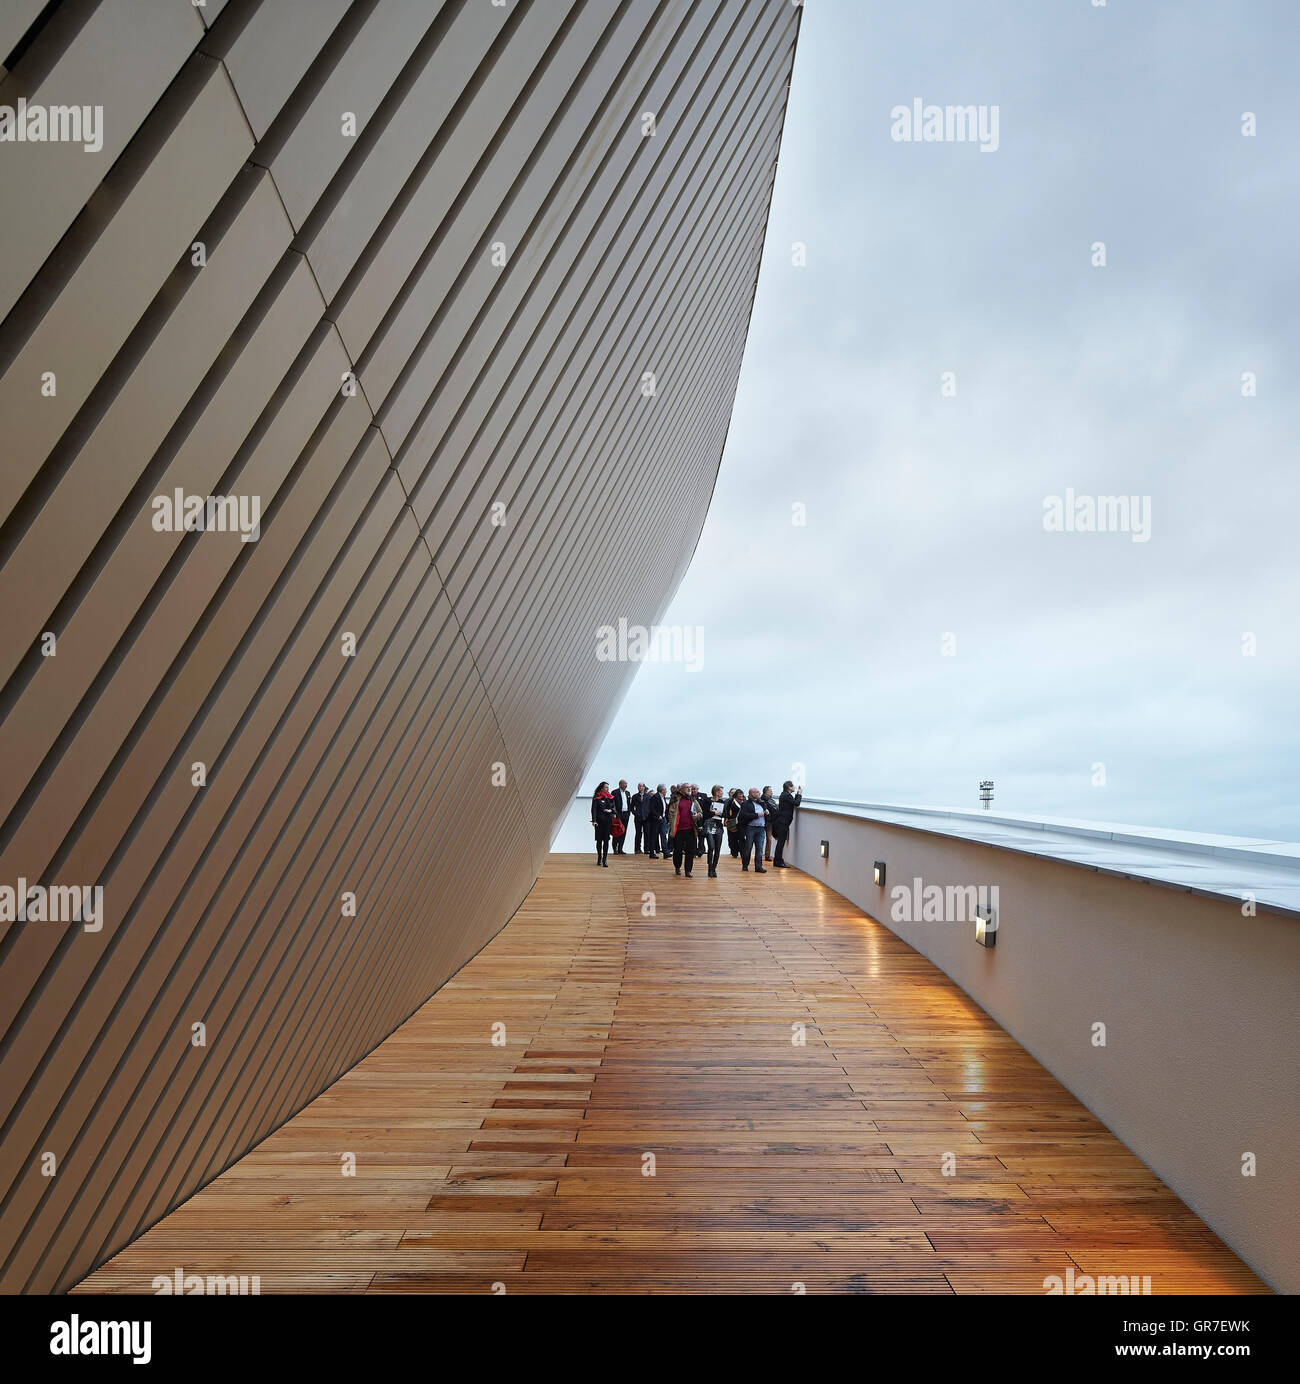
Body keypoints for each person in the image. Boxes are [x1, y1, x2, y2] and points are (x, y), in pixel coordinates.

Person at [666, 782, 701, 877]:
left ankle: (688, 871)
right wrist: (670, 822)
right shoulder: (675, 799)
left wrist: (697, 816)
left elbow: (700, 812)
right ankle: (677, 867)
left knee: (690, 851)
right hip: (678, 829)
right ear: (681, 789)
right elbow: (670, 813)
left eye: (690, 787)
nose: (689, 789)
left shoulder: (693, 800)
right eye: (686, 787)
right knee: (677, 850)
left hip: (690, 829)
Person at [772, 780, 803, 868]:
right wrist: (799, 794)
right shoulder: (786, 795)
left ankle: (778, 860)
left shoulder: (784, 795)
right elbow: (797, 803)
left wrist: (797, 795)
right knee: (781, 842)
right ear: (789, 787)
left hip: (782, 821)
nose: (794, 787)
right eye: (793, 786)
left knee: (781, 842)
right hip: (783, 822)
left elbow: (793, 802)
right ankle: (778, 861)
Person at [738, 787, 769, 873]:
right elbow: (744, 815)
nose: (759, 793)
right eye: (757, 792)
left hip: (761, 828)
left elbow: (766, 813)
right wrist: (756, 815)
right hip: (750, 828)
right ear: (752, 794)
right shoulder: (746, 803)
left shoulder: (762, 803)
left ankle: (758, 867)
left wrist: (766, 812)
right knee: (748, 847)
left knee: (759, 848)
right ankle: (745, 865)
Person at [702, 784, 727, 878]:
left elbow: (725, 814)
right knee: (711, 847)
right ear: (716, 792)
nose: (722, 793)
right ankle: (709, 868)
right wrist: (713, 812)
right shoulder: (707, 801)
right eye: (721, 791)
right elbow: (704, 814)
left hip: (718, 826)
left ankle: (714, 868)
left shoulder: (722, 802)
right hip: (708, 825)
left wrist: (720, 813)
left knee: (717, 848)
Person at [591, 782, 615, 867]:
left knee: (606, 840)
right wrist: (594, 821)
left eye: (608, 787)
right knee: (599, 841)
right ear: (601, 788)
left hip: (607, 822)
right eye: (606, 787)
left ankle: (605, 859)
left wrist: (610, 811)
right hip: (599, 822)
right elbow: (593, 810)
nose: (607, 789)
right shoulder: (596, 797)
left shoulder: (610, 797)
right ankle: (599, 857)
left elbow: (613, 808)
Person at [643, 783, 666, 859]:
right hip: (655, 820)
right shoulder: (654, 797)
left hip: (663, 819)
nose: (666, 791)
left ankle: (665, 852)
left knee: (663, 835)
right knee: (654, 836)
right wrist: (657, 816)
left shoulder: (663, 797)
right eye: (665, 789)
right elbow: (652, 808)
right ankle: (652, 853)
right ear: (662, 790)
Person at [611, 780, 632, 854]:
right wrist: (614, 813)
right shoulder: (614, 792)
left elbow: (629, 804)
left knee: (623, 832)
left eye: (626, 784)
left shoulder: (628, 793)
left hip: (626, 815)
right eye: (624, 784)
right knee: (617, 831)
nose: (626, 785)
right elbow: (612, 804)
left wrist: (629, 812)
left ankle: (620, 848)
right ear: (620, 784)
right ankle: (615, 848)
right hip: (618, 815)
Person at [723, 788, 744, 858]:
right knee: (732, 838)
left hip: (741, 822)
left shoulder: (744, 801)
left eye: (741, 794)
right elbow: (726, 810)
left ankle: (742, 851)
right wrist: (728, 818)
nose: (740, 795)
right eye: (739, 794)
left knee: (741, 838)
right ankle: (734, 852)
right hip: (732, 822)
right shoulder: (730, 801)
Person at [760, 786, 778, 861]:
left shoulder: (772, 801)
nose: (772, 792)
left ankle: (767, 856)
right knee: (761, 839)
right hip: (762, 822)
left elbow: (776, 809)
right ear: (766, 792)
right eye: (770, 791)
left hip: (770, 822)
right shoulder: (760, 800)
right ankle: (759, 854)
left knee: (769, 839)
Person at [630, 782, 648, 853]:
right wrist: (636, 813)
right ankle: (637, 849)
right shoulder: (634, 796)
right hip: (638, 818)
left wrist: (648, 814)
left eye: (641, 786)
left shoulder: (648, 796)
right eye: (639, 786)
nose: (640, 788)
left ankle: (646, 849)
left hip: (646, 818)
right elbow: (631, 807)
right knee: (638, 833)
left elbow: (650, 807)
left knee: (646, 834)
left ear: (644, 787)